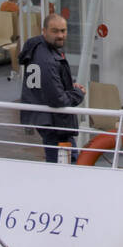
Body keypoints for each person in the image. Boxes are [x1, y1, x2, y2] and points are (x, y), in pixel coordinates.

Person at [18, 13, 85, 163]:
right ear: (44, 31)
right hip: (54, 122)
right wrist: (78, 93)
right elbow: (58, 99)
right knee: (66, 163)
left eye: (63, 30)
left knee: (57, 158)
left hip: (43, 118)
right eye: (55, 31)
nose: (60, 35)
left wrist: (67, 86)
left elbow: (48, 84)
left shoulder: (36, 47)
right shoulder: (48, 59)